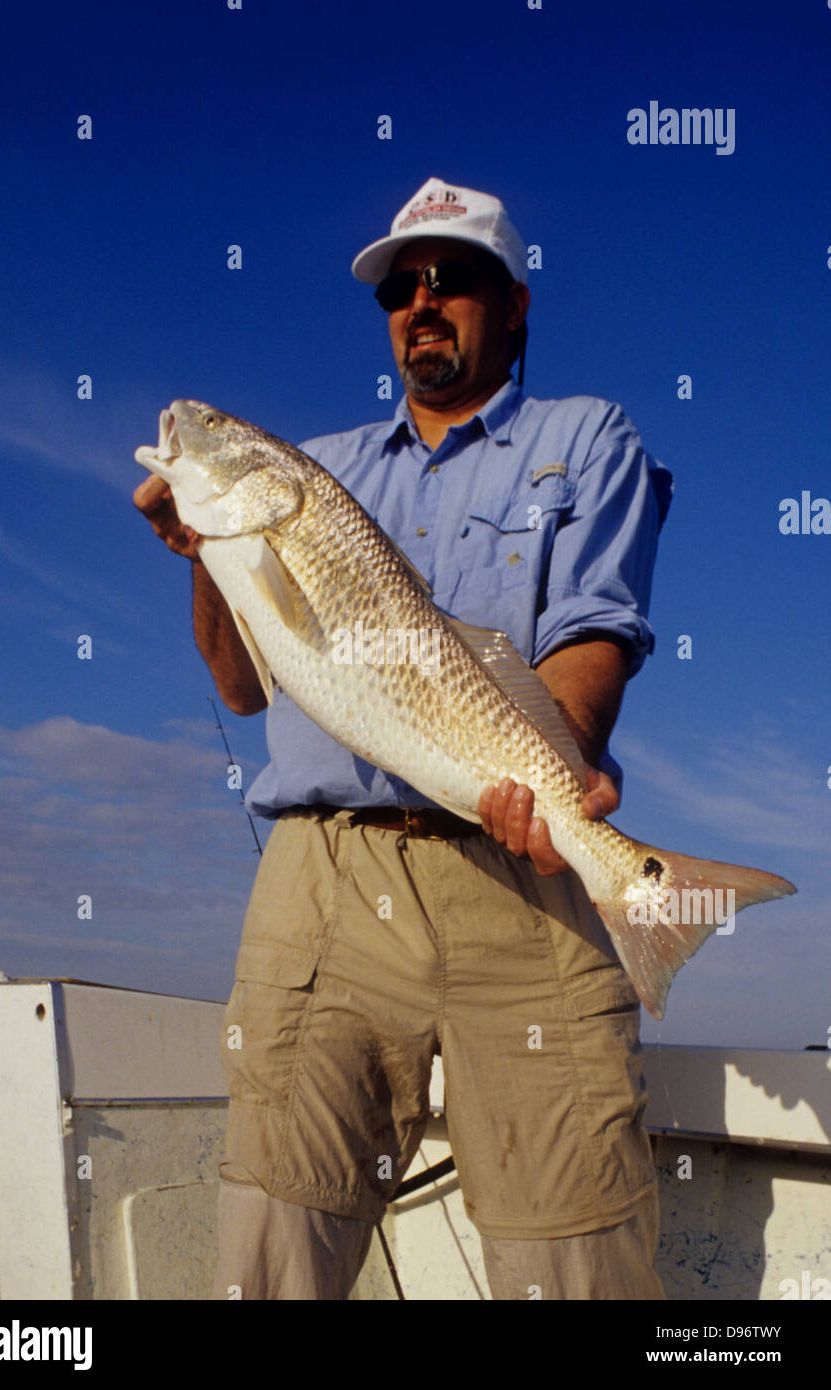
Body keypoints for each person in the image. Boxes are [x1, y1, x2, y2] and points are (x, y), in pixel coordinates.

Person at [134, 176, 673, 1300]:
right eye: (398, 287)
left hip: (520, 880)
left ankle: (650, 913)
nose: (419, 303)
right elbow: (242, 686)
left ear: (512, 303)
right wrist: (205, 555)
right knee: (274, 1245)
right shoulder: (322, 470)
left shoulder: (585, 437)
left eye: (451, 278)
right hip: (325, 880)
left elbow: (591, 630)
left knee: (572, 1250)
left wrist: (553, 770)